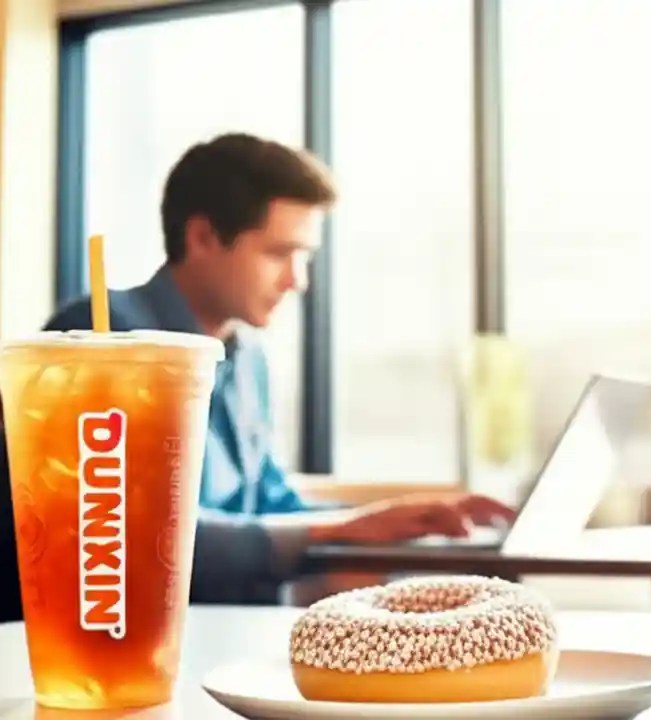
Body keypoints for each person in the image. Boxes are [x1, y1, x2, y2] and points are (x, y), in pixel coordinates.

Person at [45, 133, 514, 604]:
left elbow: (274, 506)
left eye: (304, 256)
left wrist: (396, 521)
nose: (298, 280)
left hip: (227, 630)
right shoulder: (99, 338)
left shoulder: (246, 359)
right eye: (278, 253)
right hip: (135, 639)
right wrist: (339, 528)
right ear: (202, 237)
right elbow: (128, 540)